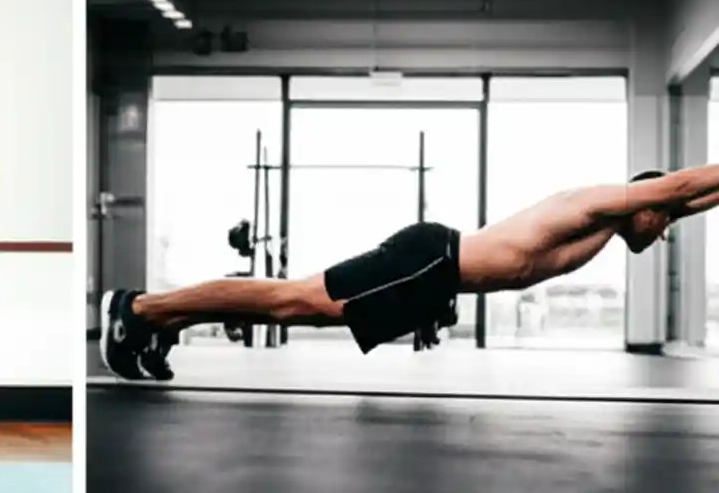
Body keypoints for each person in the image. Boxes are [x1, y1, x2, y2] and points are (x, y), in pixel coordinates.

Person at [101, 167, 719, 382]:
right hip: (431, 261)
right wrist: (685, 192)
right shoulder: (600, 203)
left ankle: (166, 321)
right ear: (646, 203)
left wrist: (692, 201)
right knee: (291, 301)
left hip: (435, 275)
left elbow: (691, 198)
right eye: (662, 219)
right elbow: (686, 186)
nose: (663, 231)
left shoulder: (614, 224)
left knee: (292, 308)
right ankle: (142, 312)